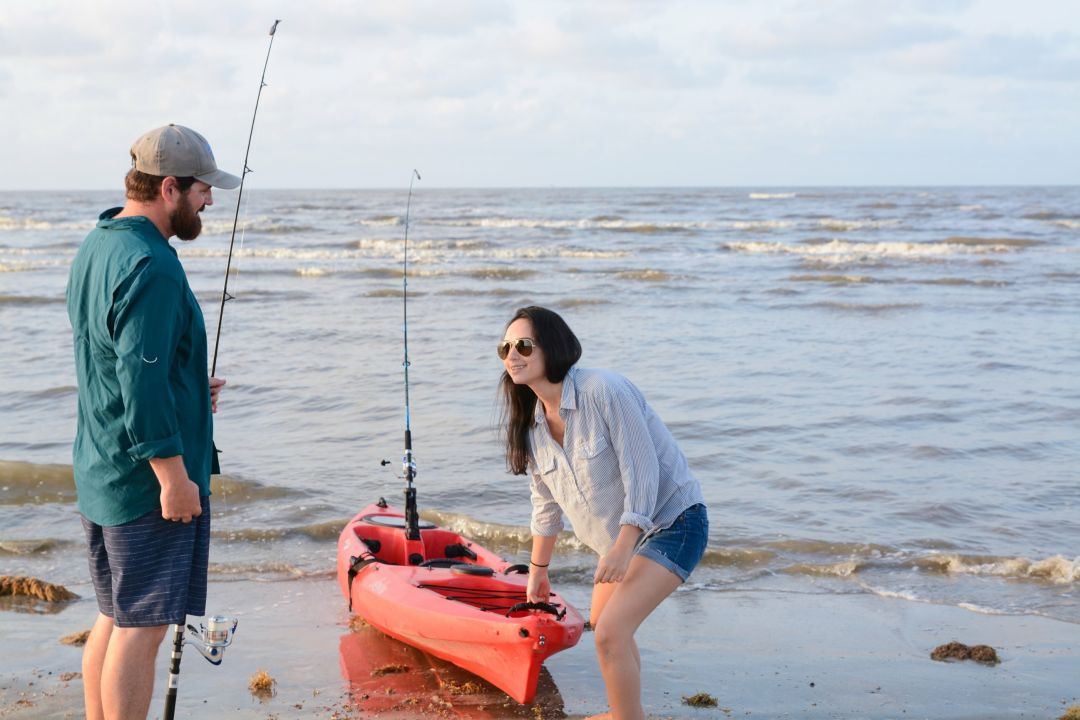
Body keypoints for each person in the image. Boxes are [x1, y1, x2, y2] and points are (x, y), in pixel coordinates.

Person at [66, 124, 239, 720]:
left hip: (101, 466)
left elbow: (116, 358)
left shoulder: (100, 243)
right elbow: (138, 381)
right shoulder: (154, 266)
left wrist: (189, 385)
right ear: (170, 187)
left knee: (116, 613)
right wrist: (173, 476)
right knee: (143, 625)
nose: (209, 201)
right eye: (202, 190)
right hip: (144, 478)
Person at [497, 306, 709, 720]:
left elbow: (643, 472)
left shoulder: (603, 389)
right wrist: (539, 571)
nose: (512, 354)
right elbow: (545, 503)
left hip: (674, 523)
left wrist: (624, 546)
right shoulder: (533, 424)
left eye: (523, 344)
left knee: (610, 633)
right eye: (504, 347)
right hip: (621, 541)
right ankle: (628, 714)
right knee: (607, 627)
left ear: (552, 347)